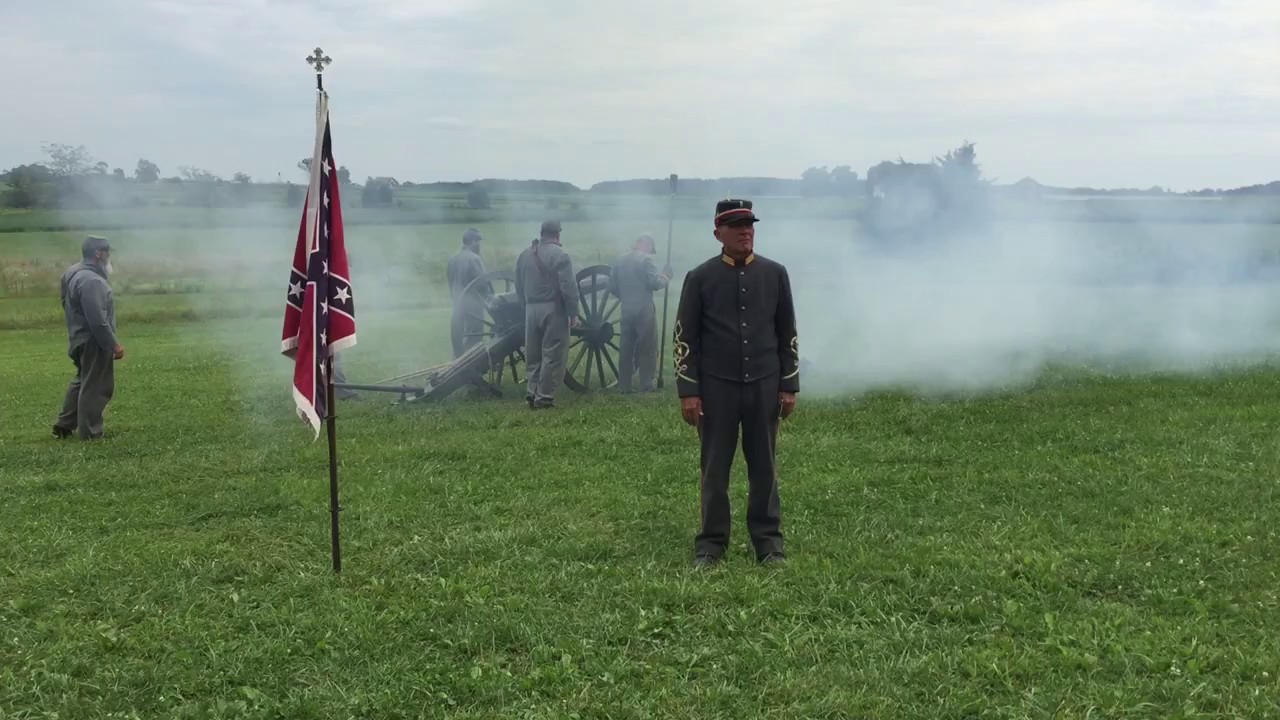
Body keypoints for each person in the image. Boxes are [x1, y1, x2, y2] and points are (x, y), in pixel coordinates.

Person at [672, 199, 799, 568]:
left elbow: (787, 332)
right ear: (718, 233)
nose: (746, 231)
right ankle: (711, 544)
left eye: (750, 224)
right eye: (737, 225)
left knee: (764, 468)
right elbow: (685, 339)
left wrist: (788, 384)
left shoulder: (775, 274)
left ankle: (769, 543)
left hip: (764, 384)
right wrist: (689, 391)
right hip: (716, 389)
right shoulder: (700, 278)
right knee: (715, 470)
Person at [53, 235, 124, 440]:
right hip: (93, 341)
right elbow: (97, 320)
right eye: (107, 253)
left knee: (82, 380)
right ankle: (91, 433)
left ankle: (64, 424)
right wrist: (113, 345)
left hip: (77, 337)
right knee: (96, 386)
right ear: (99, 254)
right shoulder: (92, 280)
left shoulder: (71, 272)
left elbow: (65, 302)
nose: (109, 258)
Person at [515, 220, 579, 409]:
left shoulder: (524, 255)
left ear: (542, 233)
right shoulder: (561, 255)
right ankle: (544, 398)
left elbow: (518, 285)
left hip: (530, 309)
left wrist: (525, 307)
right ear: (557, 235)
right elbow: (568, 287)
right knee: (553, 354)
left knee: (533, 355)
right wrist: (573, 313)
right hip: (553, 309)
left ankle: (532, 392)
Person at [608, 233, 671, 393]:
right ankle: (646, 384)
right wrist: (665, 277)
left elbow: (613, 286)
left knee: (626, 348)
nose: (650, 251)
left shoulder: (620, 259)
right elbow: (654, 283)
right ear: (646, 244)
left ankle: (624, 385)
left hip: (626, 308)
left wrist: (625, 296)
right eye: (650, 247)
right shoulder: (646, 260)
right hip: (644, 309)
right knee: (647, 347)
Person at [446, 228, 492, 359]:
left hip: (457, 303)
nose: (480, 245)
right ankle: (470, 366)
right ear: (473, 242)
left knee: (459, 337)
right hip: (473, 305)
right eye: (479, 241)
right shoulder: (474, 259)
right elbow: (483, 283)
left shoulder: (452, 259)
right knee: (473, 337)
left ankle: (456, 362)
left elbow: (450, 281)